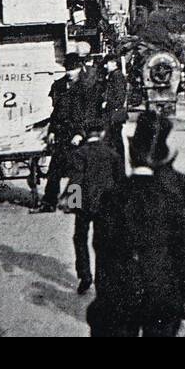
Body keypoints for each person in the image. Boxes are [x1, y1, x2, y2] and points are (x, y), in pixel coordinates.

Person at [87, 111, 185, 337]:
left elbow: (101, 250)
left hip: (120, 294)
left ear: (130, 155)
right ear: (165, 158)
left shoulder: (112, 197)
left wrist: (103, 298)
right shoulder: (174, 198)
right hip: (163, 294)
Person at [67, 125, 123, 294]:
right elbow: (120, 182)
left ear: (85, 134)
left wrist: (73, 204)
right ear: (102, 133)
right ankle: (103, 279)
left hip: (84, 205)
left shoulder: (79, 154)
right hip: (106, 205)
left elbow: (75, 181)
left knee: (80, 238)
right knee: (103, 241)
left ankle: (85, 275)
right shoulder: (112, 154)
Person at [38, 54, 94, 212]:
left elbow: (89, 114)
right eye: (68, 69)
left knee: (76, 171)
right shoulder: (59, 86)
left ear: (80, 68)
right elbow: (55, 112)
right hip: (61, 133)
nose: (70, 72)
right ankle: (49, 202)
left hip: (77, 134)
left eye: (74, 69)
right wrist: (52, 131)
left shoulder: (87, 88)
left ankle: (74, 203)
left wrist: (81, 133)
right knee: (54, 169)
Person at [98, 52, 128, 139]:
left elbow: (119, 96)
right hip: (114, 113)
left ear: (114, 63)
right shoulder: (114, 75)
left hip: (115, 113)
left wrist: (107, 104)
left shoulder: (117, 76)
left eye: (106, 63)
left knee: (115, 138)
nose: (105, 66)